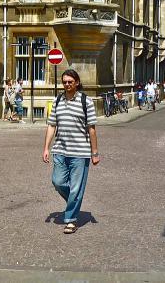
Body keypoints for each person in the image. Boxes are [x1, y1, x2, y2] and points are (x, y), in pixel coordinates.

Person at [42, 68, 99, 234]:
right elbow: (52, 125)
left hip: (80, 152)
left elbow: (92, 129)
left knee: (75, 188)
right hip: (60, 150)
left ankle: (71, 220)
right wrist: (46, 147)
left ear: (77, 83)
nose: (67, 84)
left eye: (70, 82)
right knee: (58, 182)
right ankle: (74, 204)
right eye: (64, 82)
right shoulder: (58, 100)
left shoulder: (86, 102)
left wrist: (95, 153)